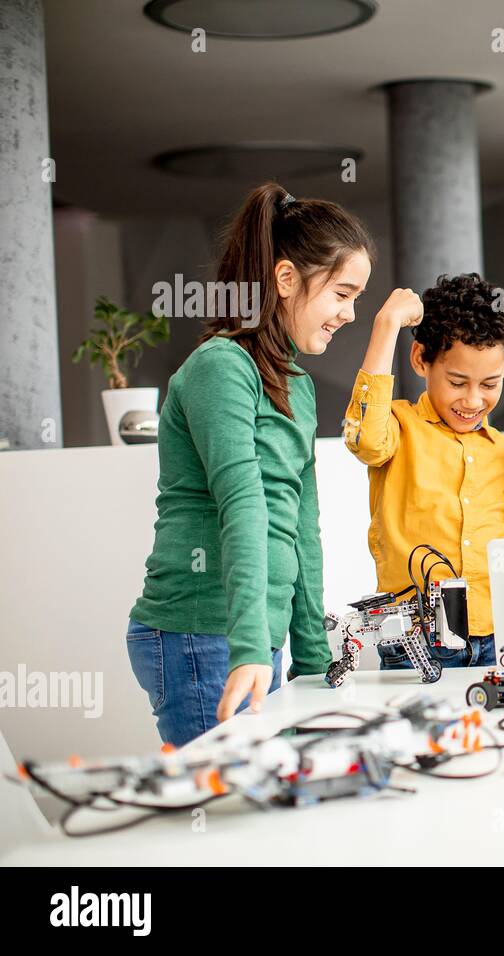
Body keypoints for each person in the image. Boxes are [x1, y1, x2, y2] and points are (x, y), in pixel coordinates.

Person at [128, 182, 376, 745]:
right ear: (287, 279)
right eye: (342, 293)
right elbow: (243, 506)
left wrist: (313, 653)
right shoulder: (222, 368)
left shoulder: (297, 386)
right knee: (223, 819)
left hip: (251, 636)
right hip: (201, 634)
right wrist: (248, 646)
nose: (350, 313)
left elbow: (300, 527)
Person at [343, 273, 504, 669]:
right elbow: (363, 439)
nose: (473, 400)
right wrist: (387, 325)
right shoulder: (398, 428)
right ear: (421, 359)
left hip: (495, 638)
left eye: (490, 383)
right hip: (416, 640)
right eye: (457, 382)